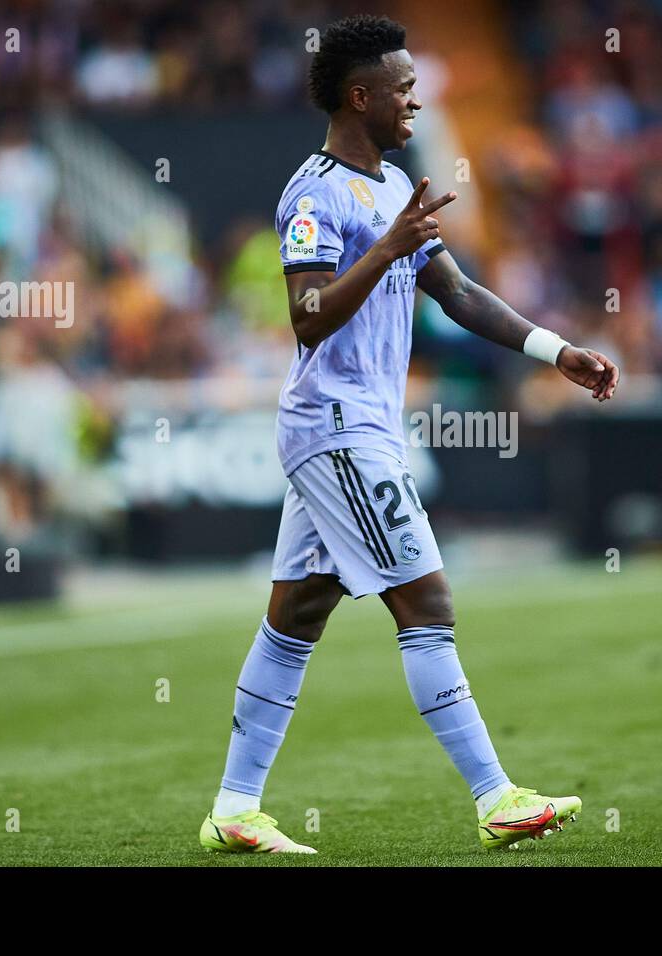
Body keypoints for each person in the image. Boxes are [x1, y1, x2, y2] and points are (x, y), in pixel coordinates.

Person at [200, 15, 619, 854]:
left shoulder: (394, 186)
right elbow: (307, 317)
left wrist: (556, 350)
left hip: (364, 426)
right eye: (403, 89)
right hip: (336, 423)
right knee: (426, 601)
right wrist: (387, 247)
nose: (415, 103)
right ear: (361, 96)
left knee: (297, 615)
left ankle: (234, 809)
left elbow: (458, 295)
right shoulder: (311, 194)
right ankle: (496, 796)